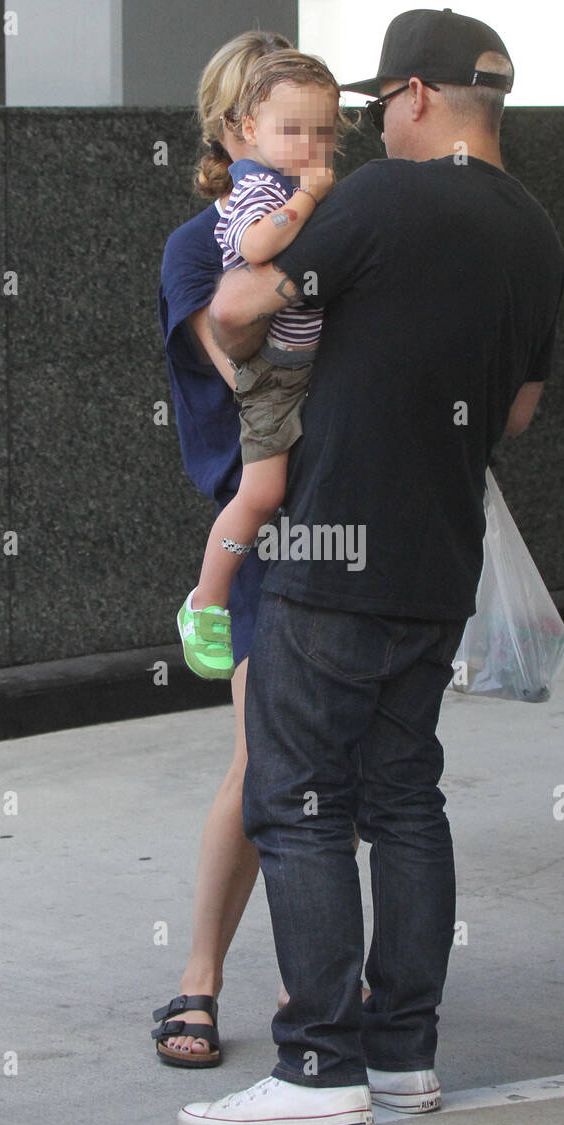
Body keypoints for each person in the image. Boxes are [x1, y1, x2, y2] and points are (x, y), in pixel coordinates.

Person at [176, 8, 564, 1125]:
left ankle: (317, 1071)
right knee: (406, 801)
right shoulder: (536, 231)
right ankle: (402, 1055)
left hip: (328, 545)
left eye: (368, 106)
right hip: (439, 558)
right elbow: (521, 409)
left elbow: (244, 307)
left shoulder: (382, 198)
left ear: (410, 97)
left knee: (298, 802)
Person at [152, 29, 292, 1068]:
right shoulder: (201, 246)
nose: (297, 145)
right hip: (261, 531)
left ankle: (315, 979)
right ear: (231, 128)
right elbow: (237, 362)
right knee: (264, 766)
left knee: (333, 769)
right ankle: (203, 975)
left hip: (351, 524)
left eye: (318, 127)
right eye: (276, 121)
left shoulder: (329, 223)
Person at [176, 51, 341, 681]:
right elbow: (257, 246)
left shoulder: (293, 186)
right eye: (292, 130)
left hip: (313, 370)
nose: (309, 144)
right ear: (247, 128)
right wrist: (310, 196)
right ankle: (206, 602)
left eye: (323, 132)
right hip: (274, 377)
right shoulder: (258, 187)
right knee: (263, 492)